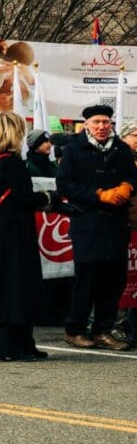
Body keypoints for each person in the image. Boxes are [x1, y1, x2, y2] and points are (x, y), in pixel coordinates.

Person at [56, 103, 137, 350]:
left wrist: (128, 186)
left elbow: (133, 176)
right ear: (87, 125)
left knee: (114, 278)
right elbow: (65, 186)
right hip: (87, 222)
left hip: (116, 223)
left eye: (106, 122)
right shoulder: (73, 150)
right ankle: (75, 329)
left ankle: (103, 329)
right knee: (87, 278)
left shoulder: (121, 149)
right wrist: (98, 194)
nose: (102, 127)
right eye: (97, 122)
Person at [0, 112, 55, 361]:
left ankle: (20, 343)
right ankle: (13, 345)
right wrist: (46, 199)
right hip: (16, 231)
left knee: (9, 284)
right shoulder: (12, 162)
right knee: (18, 284)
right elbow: (24, 198)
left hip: (1, 228)